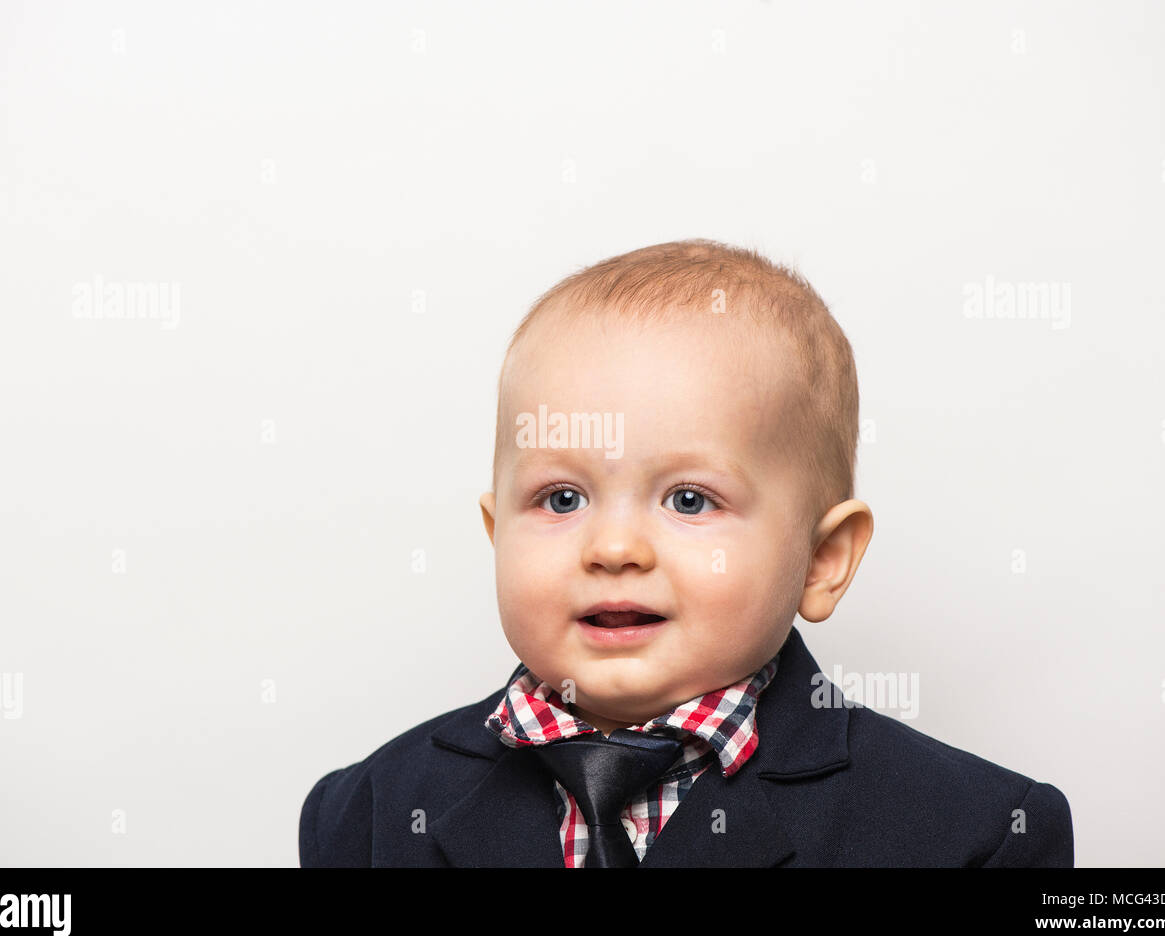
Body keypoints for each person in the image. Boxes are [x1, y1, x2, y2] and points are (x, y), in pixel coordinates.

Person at [299, 239, 1074, 867]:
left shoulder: (974, 832)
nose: (613, 547)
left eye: (690, 500)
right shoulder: (364, 812)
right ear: (497, 532)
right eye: (561, 499)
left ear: (823, 558)